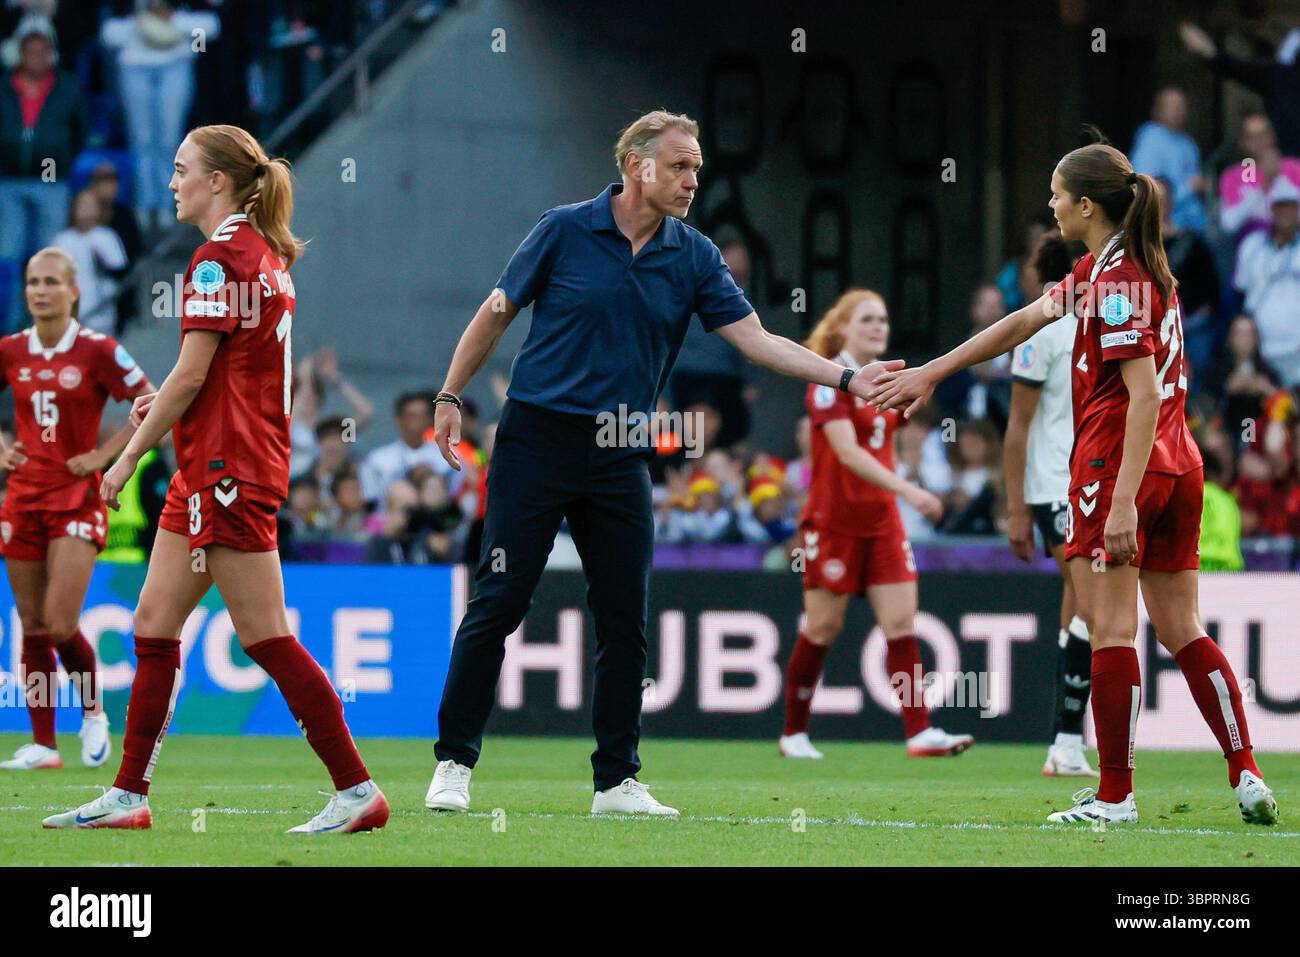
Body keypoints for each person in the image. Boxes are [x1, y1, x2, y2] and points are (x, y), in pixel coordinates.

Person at [424, 109, 902, 817]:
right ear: (636, 166)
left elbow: (756, 339)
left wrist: (844, 375)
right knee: (500, 602)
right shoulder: (562, 229)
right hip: (536, 440)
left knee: (625, 618)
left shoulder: (695, 255)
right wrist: (450, 392)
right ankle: (453, 764)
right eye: (680, 166)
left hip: (620, 450)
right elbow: (495, 312)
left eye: (697, 168)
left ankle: (616, 781)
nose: (693, 179)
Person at [867, 139, 1278, 827]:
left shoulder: (1113, 283)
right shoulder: (1121, 268)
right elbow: (1024, 320)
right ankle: (1246, 773)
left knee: (1111, 628)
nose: (1051, 205)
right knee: (1183, 628)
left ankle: (1115, 795)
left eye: (1057, 194)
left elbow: (1141, 397)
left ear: (1087, 204)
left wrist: (1119, 500)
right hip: (1179, 467)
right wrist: (936, 369)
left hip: (1120, 464)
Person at [42, 124, 388, 834]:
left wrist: (130, 452)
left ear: (218, 182)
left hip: (227, 471)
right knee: (152, 621)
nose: (170, 182)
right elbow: (224, 376)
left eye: (180, 170)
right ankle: (129, 794)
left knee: (263, 633)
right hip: (218, 465)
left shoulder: (216, 260)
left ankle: (357, 790)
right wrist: (169, 405)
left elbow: (196, 372)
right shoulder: (264, 257)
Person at [779, 289, 968, 761]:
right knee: (823, 627)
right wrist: (909, 491)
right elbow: (847, 453)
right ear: (842, 328)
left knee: (902, 623)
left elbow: (894, 438)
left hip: (881, 522)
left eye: (883, 320)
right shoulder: (828, 381)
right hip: (834, 522)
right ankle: (793, 732)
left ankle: (919, 731)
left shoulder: (888, 380)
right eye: (867, 319)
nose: (878, 327)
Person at [0, 247, 153, 771]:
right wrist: (2, 449)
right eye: (32, 281)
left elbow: (151, 401)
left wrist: (105, 456)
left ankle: (92, 712)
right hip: (21, 497)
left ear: (73, 291)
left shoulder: (96, 350)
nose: (39, 290)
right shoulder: (11, 349)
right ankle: (44, 745)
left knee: (60, 621)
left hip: (74, 498)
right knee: (31, 622)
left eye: (49, 282)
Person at [1002, 231, 1096, 777]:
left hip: (1091, 483)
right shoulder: (1041, 333)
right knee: (1093, 602)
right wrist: (1017, 509)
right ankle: (1066, 739)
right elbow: (1018, 428)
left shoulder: (1107, 319)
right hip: (1053, 488)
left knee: (1082, 601)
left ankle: (1065, 741)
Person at [100, 2, 222, 235]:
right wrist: (141, 23)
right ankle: (145, 205)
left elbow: (211, 27)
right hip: (134, 65)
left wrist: (171, 19)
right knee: (141, 140)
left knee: (169, 139)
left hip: (175, 63)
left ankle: (169, 204)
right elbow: (108, 34)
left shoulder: (181, 13)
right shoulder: (128, 14)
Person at [0, 17, 86, 332]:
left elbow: (79, 133)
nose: (36, 56)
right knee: (7, 255)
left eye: (42, 49)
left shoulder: (67, 87)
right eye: (30, 50)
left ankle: (47, 328)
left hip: (51, 180)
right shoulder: (4, 86)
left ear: (51, 52)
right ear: (19, 52)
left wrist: (58, 161)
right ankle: (10, 329)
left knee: (49, 257)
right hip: (8, 179)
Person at [1233, 177, 1300, 387]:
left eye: (1290, 207)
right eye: (1280, 207)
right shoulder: (1251, 246)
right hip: (1260, 351)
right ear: (1271, 210)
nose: (1285, 214)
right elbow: (1239, 292)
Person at [49, 189, 129, 333]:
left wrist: (101, 260)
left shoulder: (107, 236)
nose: (85, 209)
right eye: (82, 205)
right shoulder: (62, 239)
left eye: (90, 205)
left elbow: (121, 274)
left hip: (101, 313)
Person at [1130, 88, 1207, 231]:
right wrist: (1189, 188)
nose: (1178, 111)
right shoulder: (1150, 138)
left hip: (1196, 225)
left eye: (1181, 106)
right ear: (1157, 110)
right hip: (1167, 227)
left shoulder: (1188, 143)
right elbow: (1145, 188)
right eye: (1172, 107)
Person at [358, 391, 451, 507]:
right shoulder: (378, 459)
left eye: (423, 416)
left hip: (434, 516)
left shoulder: (445, 456)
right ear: (399, 419)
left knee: (433, 484)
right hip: (391, 517)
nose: (419, 421)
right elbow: (370, 497)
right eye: (413, 416)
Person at [1218, 112, 1300, 240]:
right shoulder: (1232, 177)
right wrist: (1264, 185)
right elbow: (1229, 224)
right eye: (1252, 136)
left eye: (1263, 134)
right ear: (1243, 143)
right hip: (1252, 248)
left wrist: (1278, 178)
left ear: (1272, 136)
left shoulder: (1294, 167)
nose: (1259, 141)